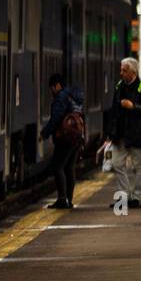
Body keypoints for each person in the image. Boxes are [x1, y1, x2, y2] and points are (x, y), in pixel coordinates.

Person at [105, 57, 141, 210]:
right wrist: (110, 134)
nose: (121, 73)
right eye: (121, 70)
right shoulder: (119, 86)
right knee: (116, 164)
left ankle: (137, 198)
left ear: (132, 72)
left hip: (137, 135)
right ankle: (124, 198)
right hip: (121, 135)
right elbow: (114, 112)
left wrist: (133, 106)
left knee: (137, 167)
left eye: (124, 70)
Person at [41, 73, 85, 209]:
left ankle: (61, 199)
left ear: (57, 85)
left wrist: (45, 133)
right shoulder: (74, 96)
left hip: (65, 137)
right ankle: (69, 199)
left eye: (52, 88)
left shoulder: (61, 97)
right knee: (69, 167)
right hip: (77, 136)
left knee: (58, 166)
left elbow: (56, 118)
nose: (52, 92)